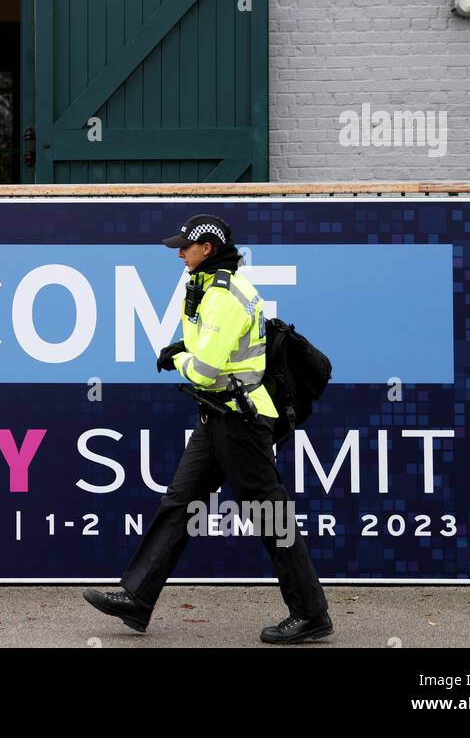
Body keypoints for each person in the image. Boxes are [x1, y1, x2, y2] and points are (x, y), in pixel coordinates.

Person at [83, 214, 333, 644]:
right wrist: (186, 348)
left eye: (186, 246)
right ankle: (137, 597)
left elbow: (204, 370)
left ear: (208, 249)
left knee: (271, 516)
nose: (179, 253)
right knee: (180, 503)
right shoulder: (212, 288)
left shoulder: (223, 296)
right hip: (219, 414)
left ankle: (311, 614)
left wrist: (176, 358)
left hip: (240, 420)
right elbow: (213, 352)